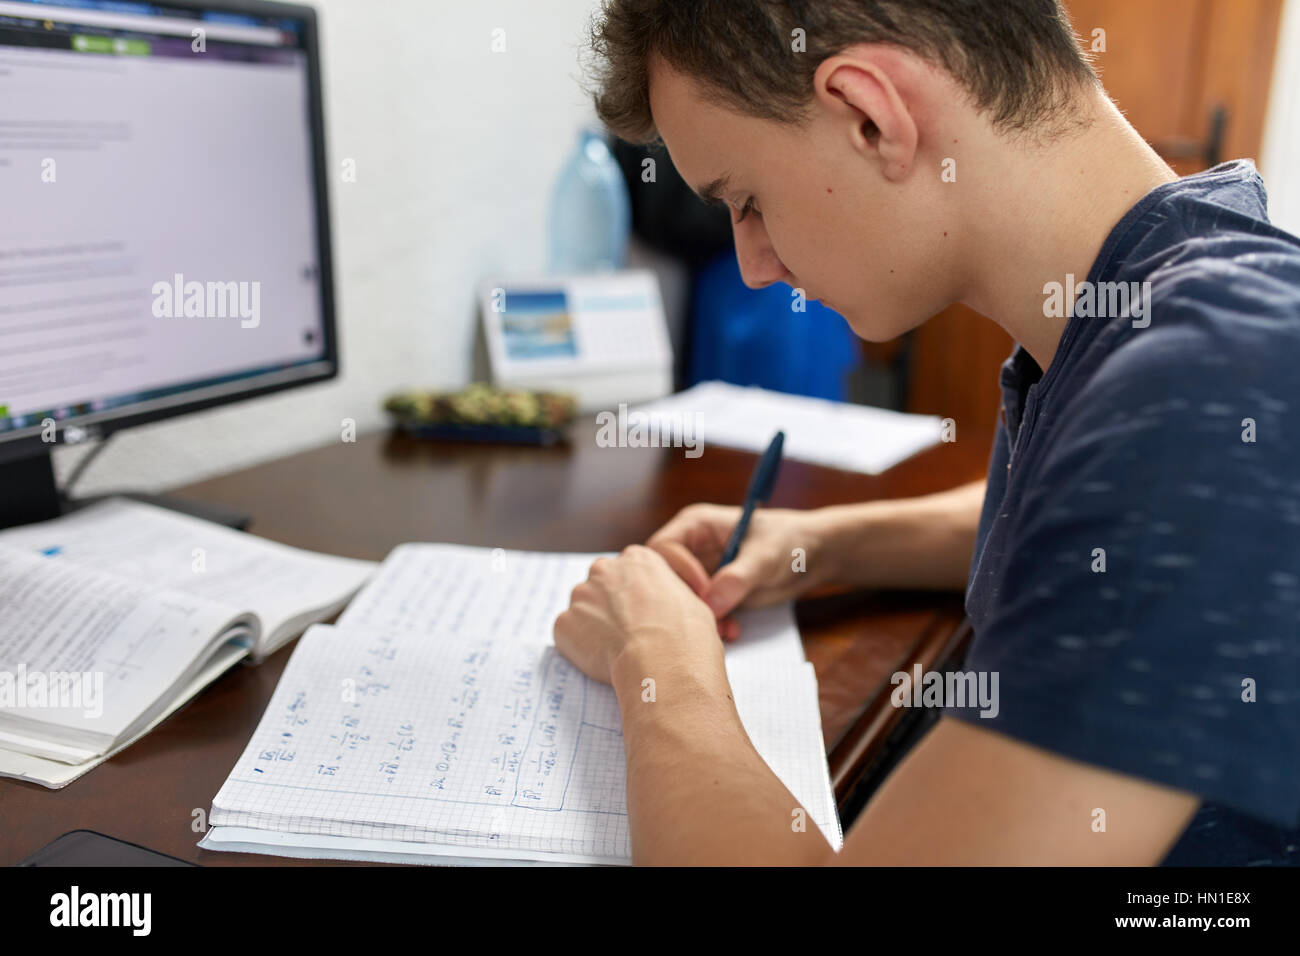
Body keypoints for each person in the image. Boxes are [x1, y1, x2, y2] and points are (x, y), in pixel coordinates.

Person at [553, 0, 1300, 865]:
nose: (754, 265)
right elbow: (1109, 536)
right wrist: (822, 545)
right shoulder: (1179, 288)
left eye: (747, 200)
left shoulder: (1206, 383)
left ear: (872, 116)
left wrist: (658, 656)